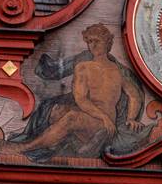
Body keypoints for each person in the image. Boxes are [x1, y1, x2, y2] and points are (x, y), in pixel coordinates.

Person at [8, 24, 146, 160]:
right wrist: (104, 117)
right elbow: (81, 99)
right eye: (89, 41)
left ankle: (23, 148)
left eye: (97, 41)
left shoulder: (118, 71)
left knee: (71, 117)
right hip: (97, 120)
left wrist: (131, 118)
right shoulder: (83, 67)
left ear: (107, 42)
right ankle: (62, 145)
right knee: (56, 111)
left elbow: (134, 96)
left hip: (104, 125)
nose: (93, 45)